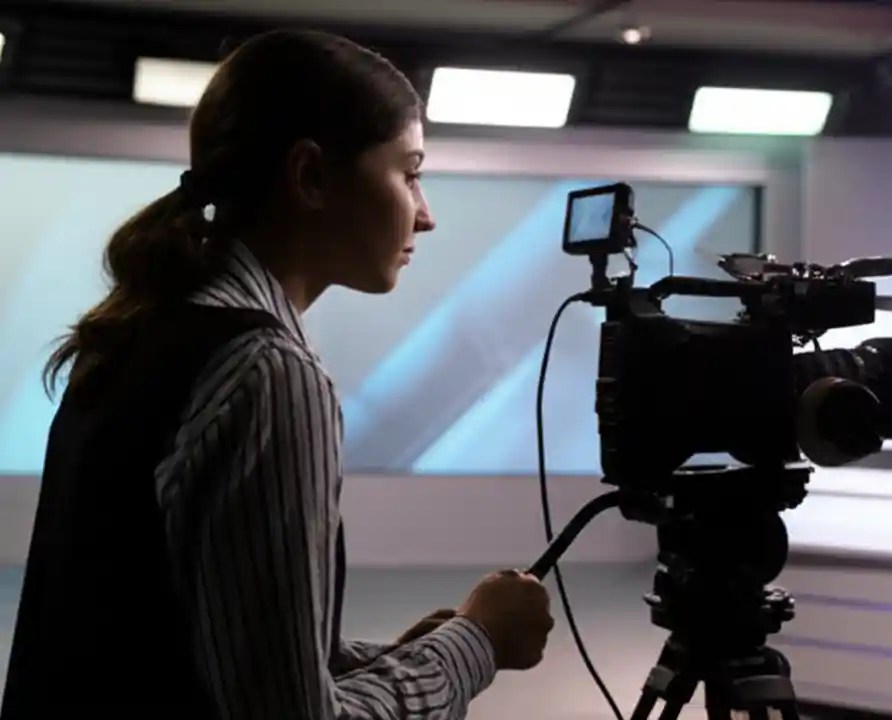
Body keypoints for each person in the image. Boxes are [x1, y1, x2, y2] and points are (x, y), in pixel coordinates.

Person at [1, 29, 553, 719]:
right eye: (409, 172)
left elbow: (173, 647)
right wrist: (476, 642)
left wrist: (400, 657)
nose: (426, 211)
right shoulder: (269, 373)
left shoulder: (142, 326)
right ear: (311, 176)